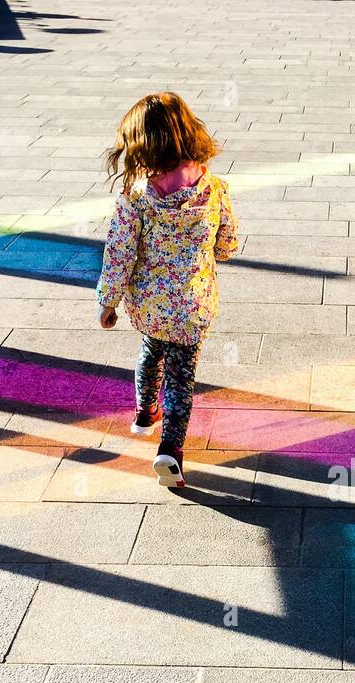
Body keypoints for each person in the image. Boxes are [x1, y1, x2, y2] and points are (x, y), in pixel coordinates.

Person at [96, 92, 238, 487]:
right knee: (182, 379)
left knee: (149, 351)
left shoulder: (136, 198)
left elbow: (119, 252)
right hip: (192, 306)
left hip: (150, 306)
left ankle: (145, 411)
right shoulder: (215, 188)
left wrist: (108, 301)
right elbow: (226, 244)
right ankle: (170, 450)